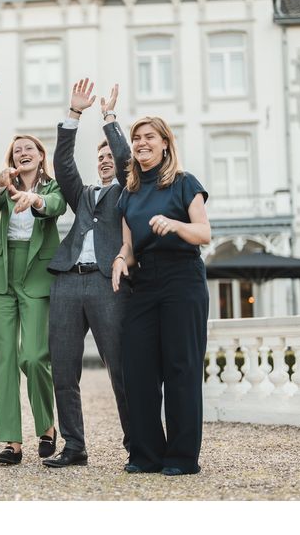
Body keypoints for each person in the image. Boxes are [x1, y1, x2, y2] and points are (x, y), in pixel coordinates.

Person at [112, 116, 210, 476]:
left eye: (149, 136)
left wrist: (176, 225)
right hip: (145, 281)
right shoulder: (129, 194)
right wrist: (120, 259)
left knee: (181, 368)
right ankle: (146, 454)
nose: (141, 142)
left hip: (182, 278)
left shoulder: (185, 183)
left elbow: (204, 233)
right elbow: (129, 246)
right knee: (137, 369)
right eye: (136, 137)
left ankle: (182, 457)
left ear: (165, 143)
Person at [43, 79, 132, 468]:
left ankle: (137, 443)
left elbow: (127, 162)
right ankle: (74, 445)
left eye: (110, 155)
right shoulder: (83, 196)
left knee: (120, 367)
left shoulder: (128, 191)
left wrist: (109, 119)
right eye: (101, 156)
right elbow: (63, 164)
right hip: (67, 281)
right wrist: (74, 114)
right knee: (63, 370)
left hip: (106, 282)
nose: (106, 160)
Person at [0, 134, 65, 465]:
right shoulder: (5, 183)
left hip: (37, 272)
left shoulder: (53, 186)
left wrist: (34, 199)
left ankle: (47, 425)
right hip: (0, 272)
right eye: (17, 150)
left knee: (34, 356)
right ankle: (12, 441)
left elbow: (56, 205)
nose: (23, 153)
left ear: (40, 155)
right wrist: (2, 184)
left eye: (29, 148)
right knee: (2, 359)